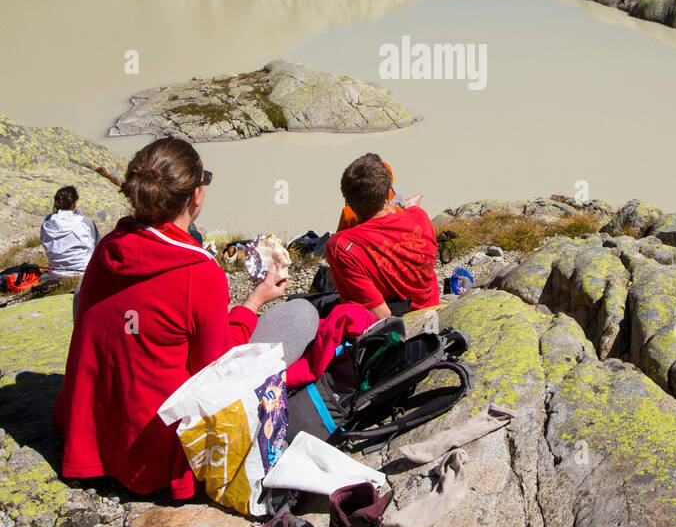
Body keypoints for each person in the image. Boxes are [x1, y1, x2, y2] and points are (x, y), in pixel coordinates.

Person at [53, 137, 302, 500]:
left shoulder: (108, 246)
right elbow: (215, 371)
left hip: (89, 441)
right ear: (195, 197)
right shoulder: (199, 272)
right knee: (300, 315)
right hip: (155, 458)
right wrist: (252, 303)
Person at [325, 154, 439, 319]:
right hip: (433, 311)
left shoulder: (341, 246)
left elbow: (381, 316)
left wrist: (334, 275)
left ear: (348, 201)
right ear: (388, 195)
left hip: (400, 326)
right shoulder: (419, 216)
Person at [41, 186, 99, 278]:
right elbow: (97, 246)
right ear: (75, 203)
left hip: (56, 273)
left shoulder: (47, 222)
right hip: (83, 273)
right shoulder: (85, 221)